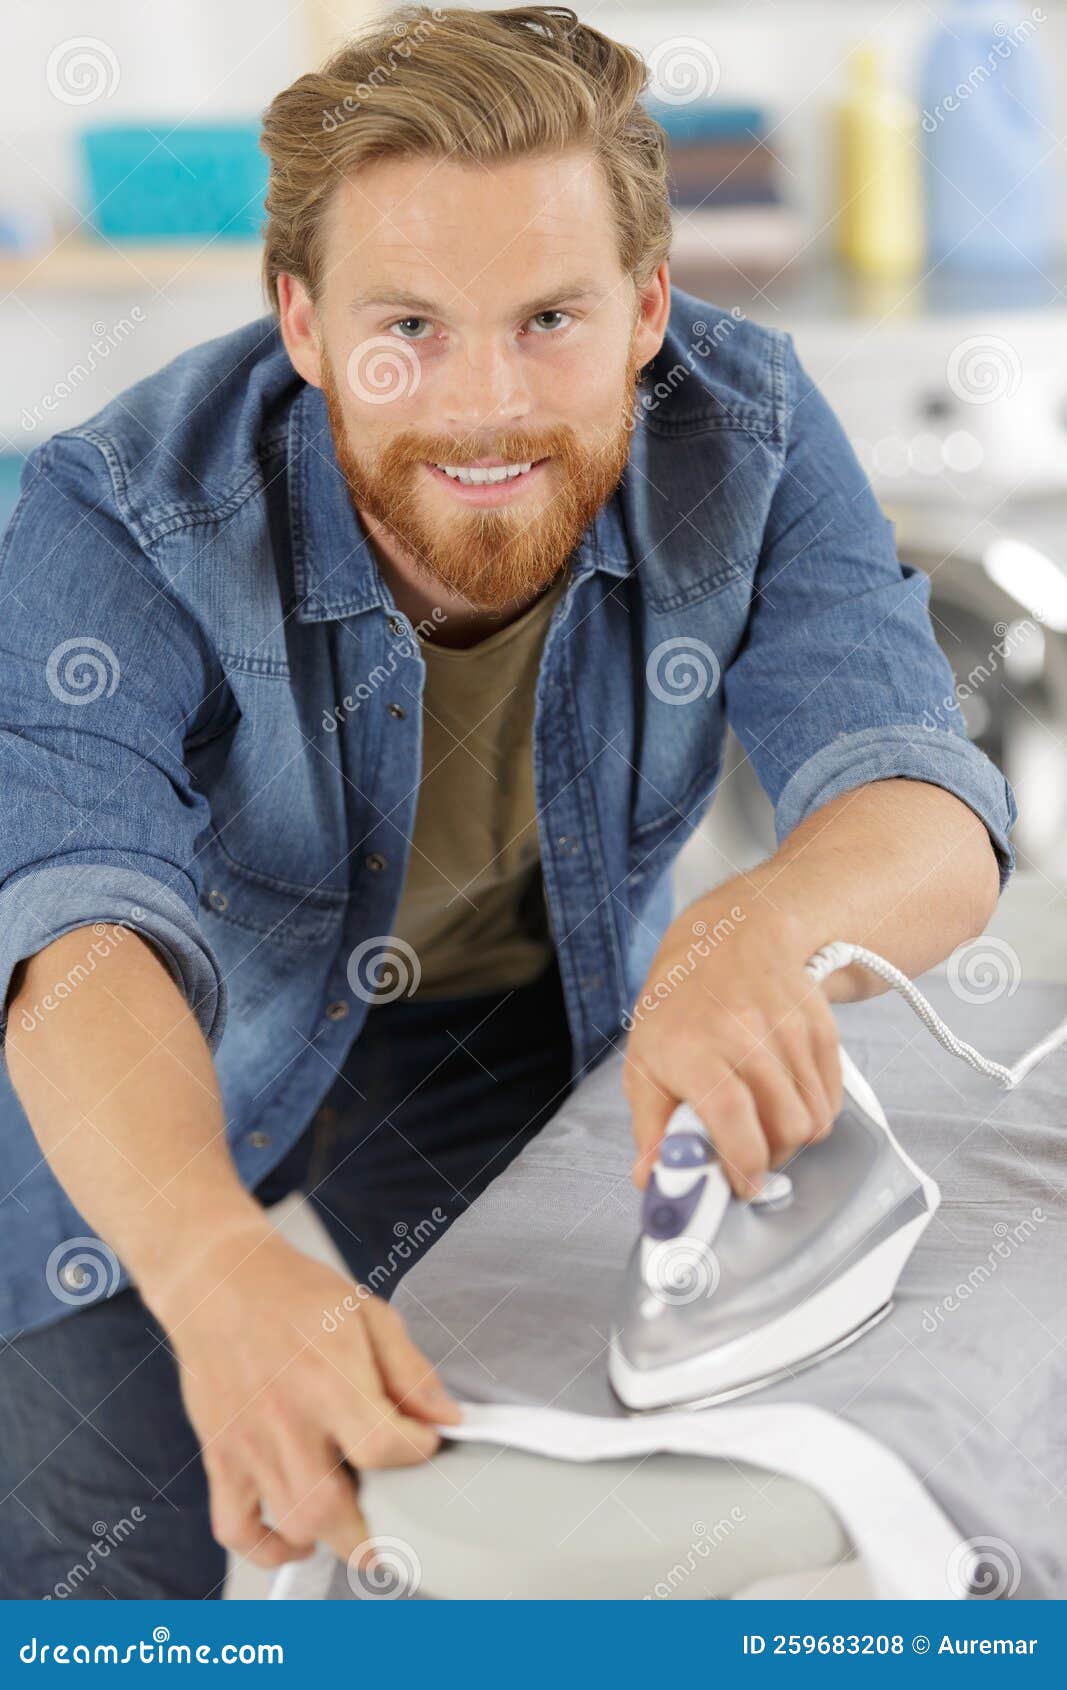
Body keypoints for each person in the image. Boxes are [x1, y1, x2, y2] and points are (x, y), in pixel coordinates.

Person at [0, 5, 1014, 1599]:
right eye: (408, 325)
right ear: (304, 324)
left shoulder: (746, 434)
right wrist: (208, 1264)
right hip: (140, 1076)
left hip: (511, 1032)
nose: (484, 405)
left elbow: (922, 787)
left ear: (648, 309)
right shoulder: (116, 514)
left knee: (504, 1529)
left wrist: (754, 929)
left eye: (551, 317)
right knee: (120, 1568)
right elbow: (71, 937)